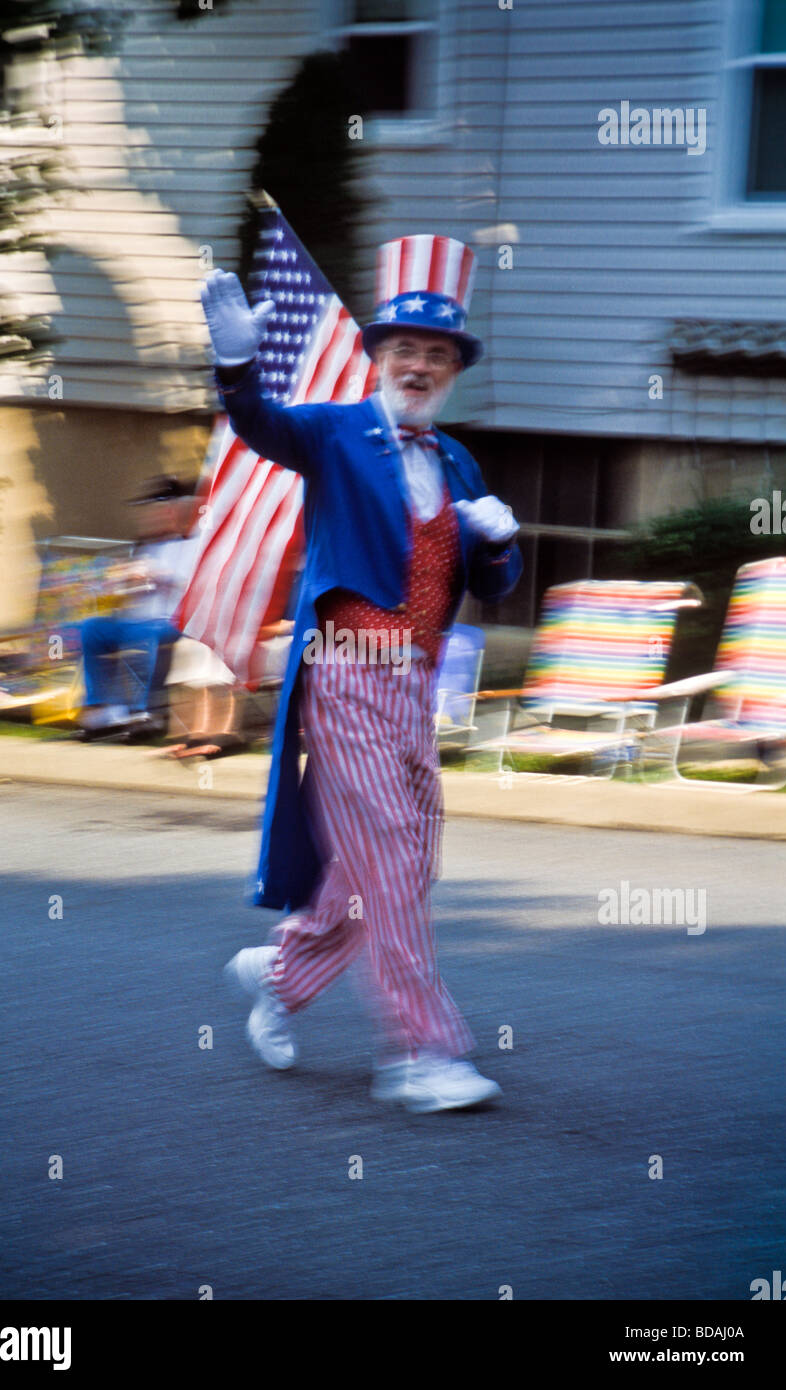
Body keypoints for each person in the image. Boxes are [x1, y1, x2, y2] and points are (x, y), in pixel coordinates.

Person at [206, 235, 524, 1112]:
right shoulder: (337, 432)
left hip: (415, 684)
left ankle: (282, 971)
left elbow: (489, 582)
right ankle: (421, 1054)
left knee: (404, 861)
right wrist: (235, 367)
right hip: (347, 669)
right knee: (386, 848)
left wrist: (499, 545)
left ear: (453, 369)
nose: (419, 365)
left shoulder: (457, 461)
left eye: (437, 354)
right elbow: (261, 425)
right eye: (406, 350)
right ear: (378, 358)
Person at [77, 475, 196, 740]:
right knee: (92, 629)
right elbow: (129, 595)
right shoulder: (144, 547)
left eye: (156, 510)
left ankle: (144, 712)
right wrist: (119, 582)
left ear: (173, 511)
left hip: (173, 620)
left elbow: (194, 586)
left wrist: (157, 576)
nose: (149, 517)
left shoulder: (191, 544)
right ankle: (104, 708)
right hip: (137, 619)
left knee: (145, 632)